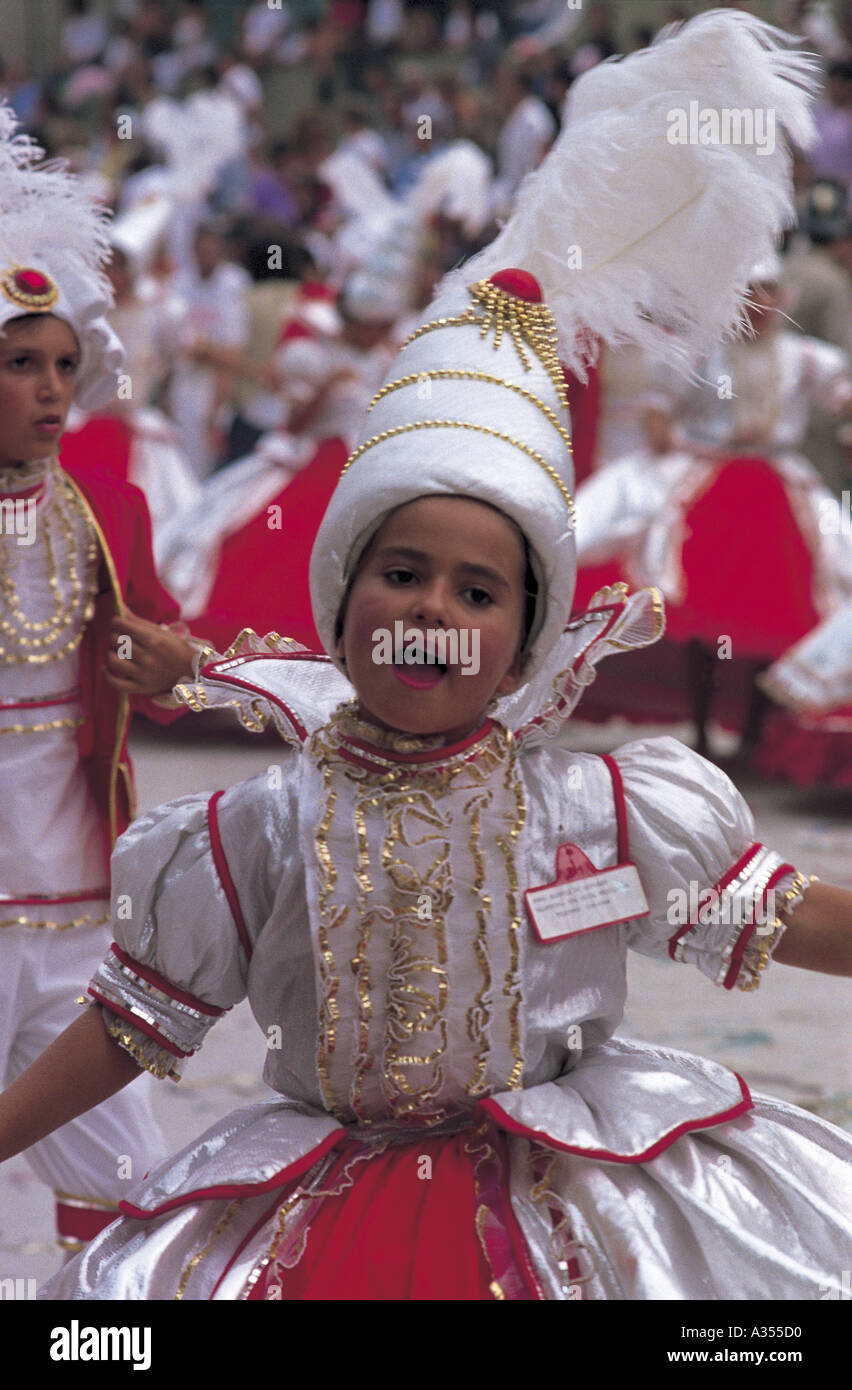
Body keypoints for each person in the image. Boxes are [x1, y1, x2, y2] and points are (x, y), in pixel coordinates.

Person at [4, 11, 851, 1301]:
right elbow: (130, 1027)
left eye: (479, 588)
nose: (434, 610)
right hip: (325, 1212)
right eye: (400, 571)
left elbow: (784, 912)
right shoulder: (252, 830)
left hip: (571, 1215)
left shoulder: (603, 809)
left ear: (526, 636)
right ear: (340, 601)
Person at [0, 102, 201, 1253]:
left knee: (136, 1189)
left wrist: (176, 670)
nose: (49, 387)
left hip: (77, 905)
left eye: (64, 362)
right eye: (20, 362)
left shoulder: (106, 509)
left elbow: (168, 672)